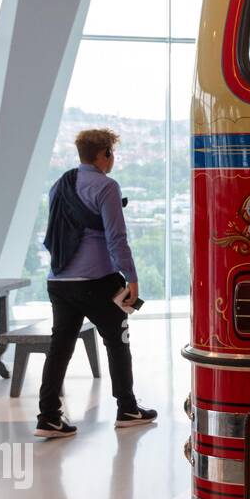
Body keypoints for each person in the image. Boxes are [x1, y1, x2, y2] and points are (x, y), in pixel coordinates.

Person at [35, 128, 157, 438]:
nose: (112, 159)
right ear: (103, 155)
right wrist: (131, 278)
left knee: (59, 347)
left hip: (60, 281)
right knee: (117, 341)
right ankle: (127, 409)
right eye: (111, 153)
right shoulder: (106, 187)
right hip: (97, 280)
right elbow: (116, 239)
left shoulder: (59, 185)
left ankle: (48, 416)